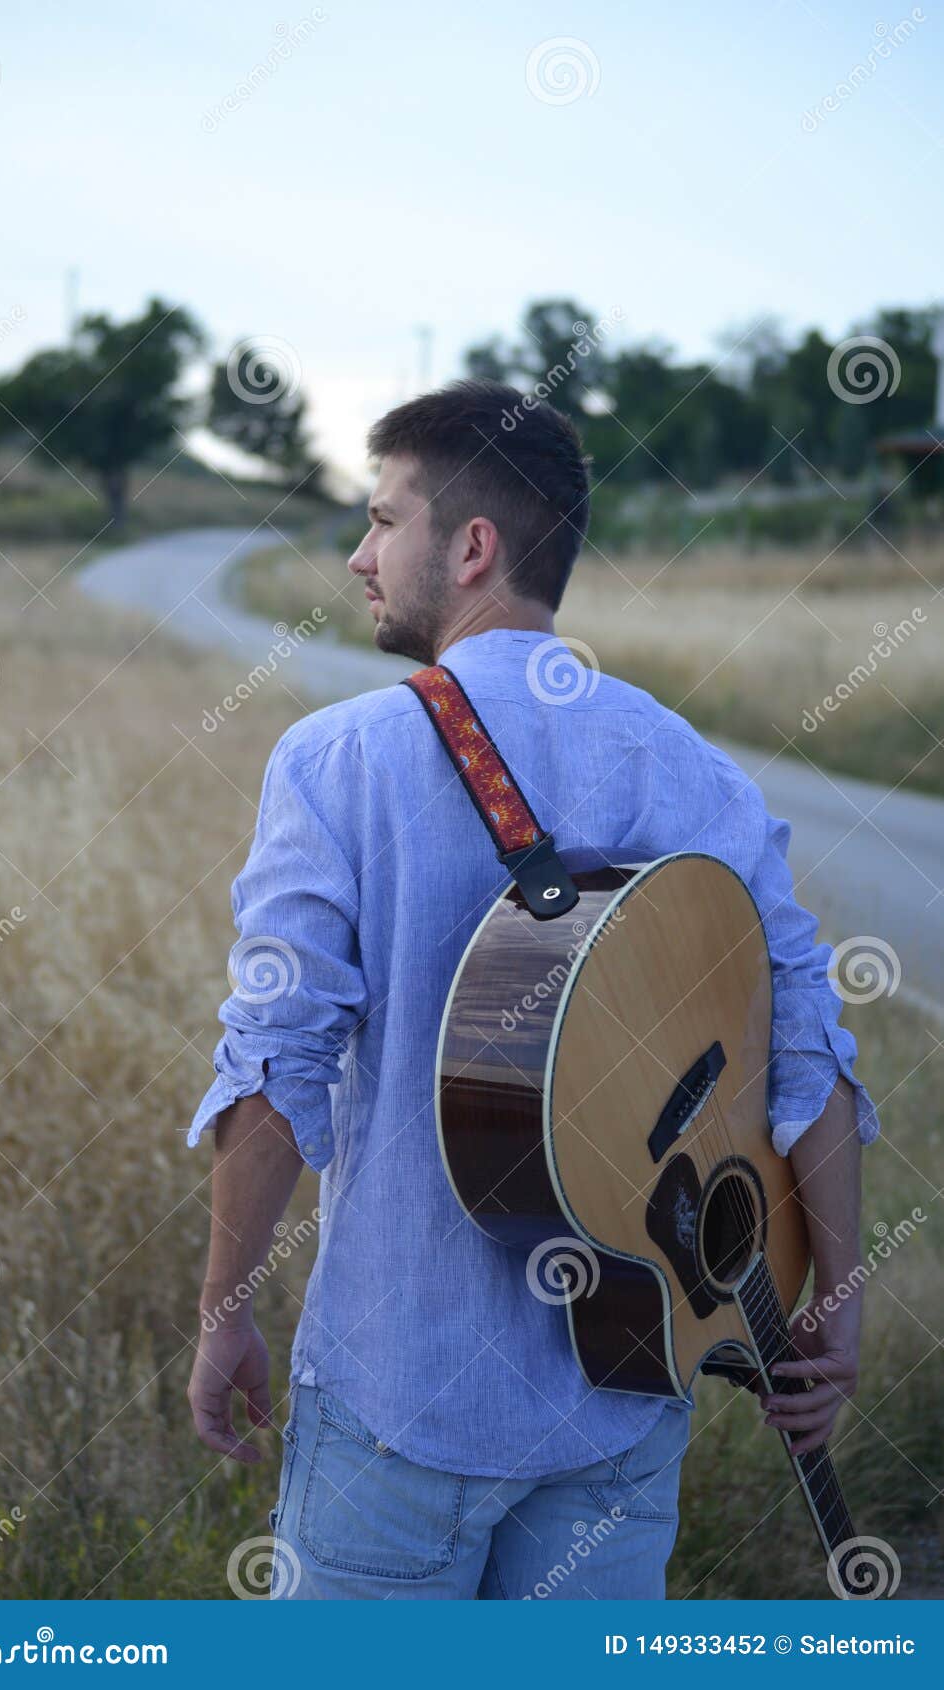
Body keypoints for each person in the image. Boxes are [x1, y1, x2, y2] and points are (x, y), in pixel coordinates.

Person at [186, 380, 879, 1600]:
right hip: (617, 1404)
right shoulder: (688, 764)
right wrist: (837, 1301)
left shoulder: (336, 758)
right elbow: (805, 1044)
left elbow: (276, 1068)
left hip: (398, 1393)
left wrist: (220, 1316)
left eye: (382, 520)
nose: (358, 556)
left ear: (469, 547)